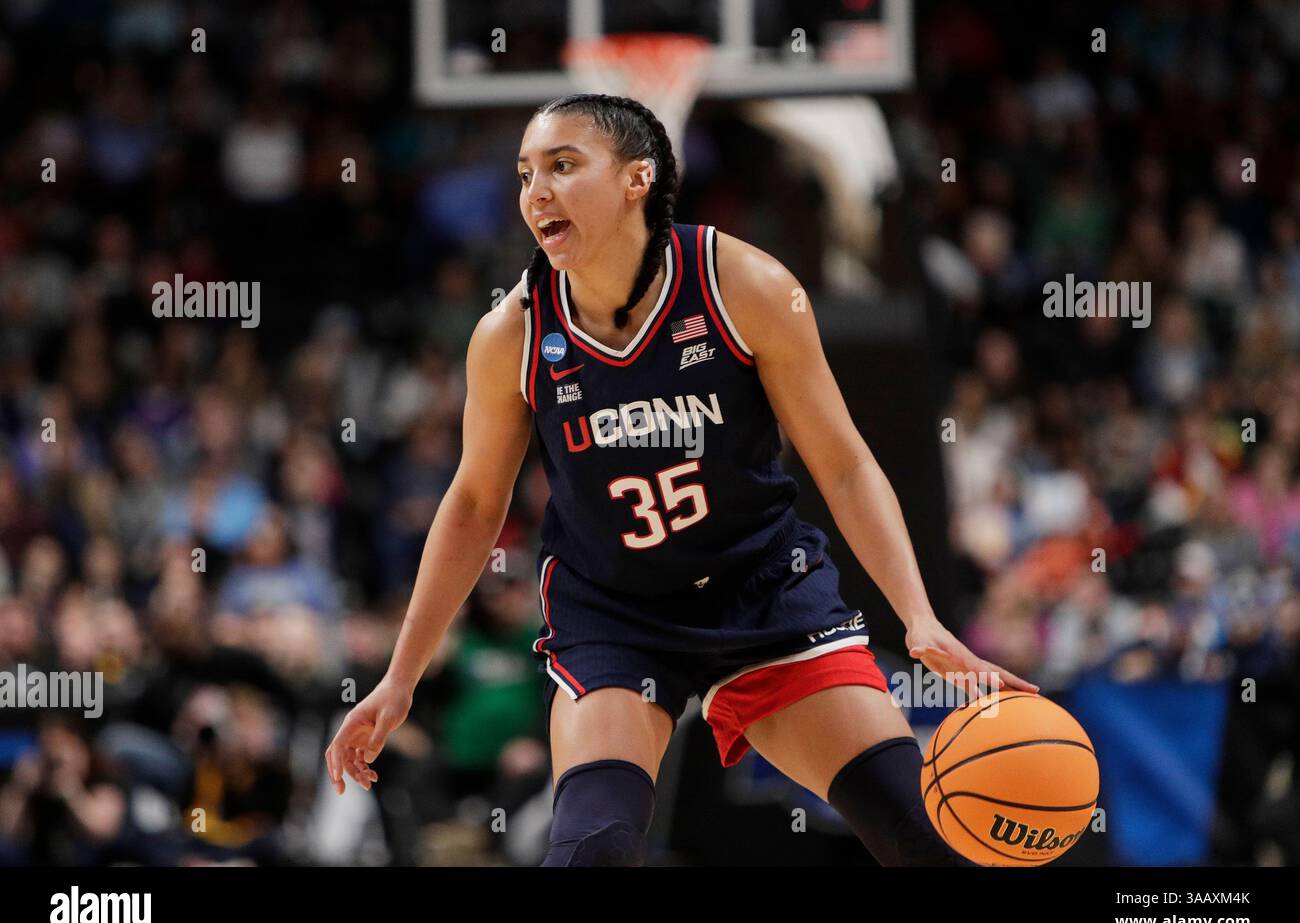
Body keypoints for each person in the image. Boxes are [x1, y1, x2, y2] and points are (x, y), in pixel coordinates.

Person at [325, 94, 1038, 866]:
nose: (536, 191)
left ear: (638, 179)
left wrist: (919, 617)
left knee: (919, 833)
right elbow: (470, 504)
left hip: (761, 591)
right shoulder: (513, 334)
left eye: (564, 166)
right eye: (526, 172)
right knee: (591, 850)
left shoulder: (744, 284)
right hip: (615, 610)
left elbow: (843, 461)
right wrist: (400, 679)